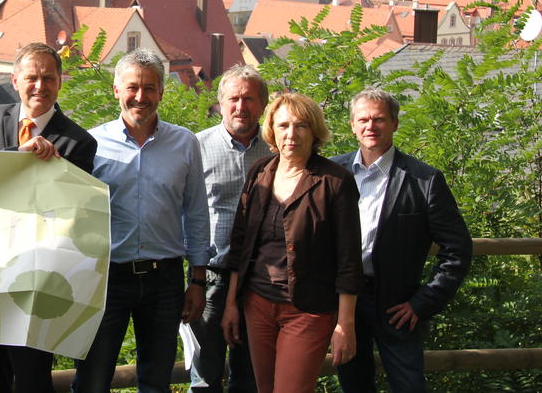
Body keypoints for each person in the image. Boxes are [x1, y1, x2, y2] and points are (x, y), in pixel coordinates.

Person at [0, 42, 97, 393]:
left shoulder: (78, 143)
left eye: (48, 78)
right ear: (15, 80)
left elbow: (68, 217)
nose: (40, 86)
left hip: (37, 283)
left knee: (32, 380)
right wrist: (17, 156)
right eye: (31, 77)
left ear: (61, 82)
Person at [73, 48, 210, 393]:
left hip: (164, 279)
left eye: (150, 88)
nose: (140, 96)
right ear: (116, 90)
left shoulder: (184, 143)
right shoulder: (91, 144)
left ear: (162, 92)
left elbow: (195, 211)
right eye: (132, 87)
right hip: (105, 279)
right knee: (91, 380)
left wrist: (197, 279)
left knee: (156, 383)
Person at [333, 88, 472, 393]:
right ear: (352, 125)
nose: (371, 126)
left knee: (409, 386)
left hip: (398, 307)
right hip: (344, 302)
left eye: (379, 119)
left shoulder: (424, 180)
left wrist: (423, 303)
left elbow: (458, 249)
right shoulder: (331, 172)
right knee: (353, 386)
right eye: (364, 119)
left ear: (395, 123)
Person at [221, 92, 362, 393]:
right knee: (265, 388)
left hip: (307, 309)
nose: (291, 134)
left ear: (314, 131)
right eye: (283, 125)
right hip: (256, 303)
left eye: (301, 126)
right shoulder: (260, 172)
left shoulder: (335, 182)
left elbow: (349, 259)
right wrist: (232, 304)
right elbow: (241, 243)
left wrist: (345, 323)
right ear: (271, 129)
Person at [183, 66, 270, 392]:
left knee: (251, 375)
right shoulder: (196, 147)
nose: (240, 106)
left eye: (249, 99)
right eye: (233, 98)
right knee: (205, 375)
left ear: (262, 105)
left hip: (263, 278)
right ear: (220, 103)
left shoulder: (276, 149)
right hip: (210, 277)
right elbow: (183, 210)